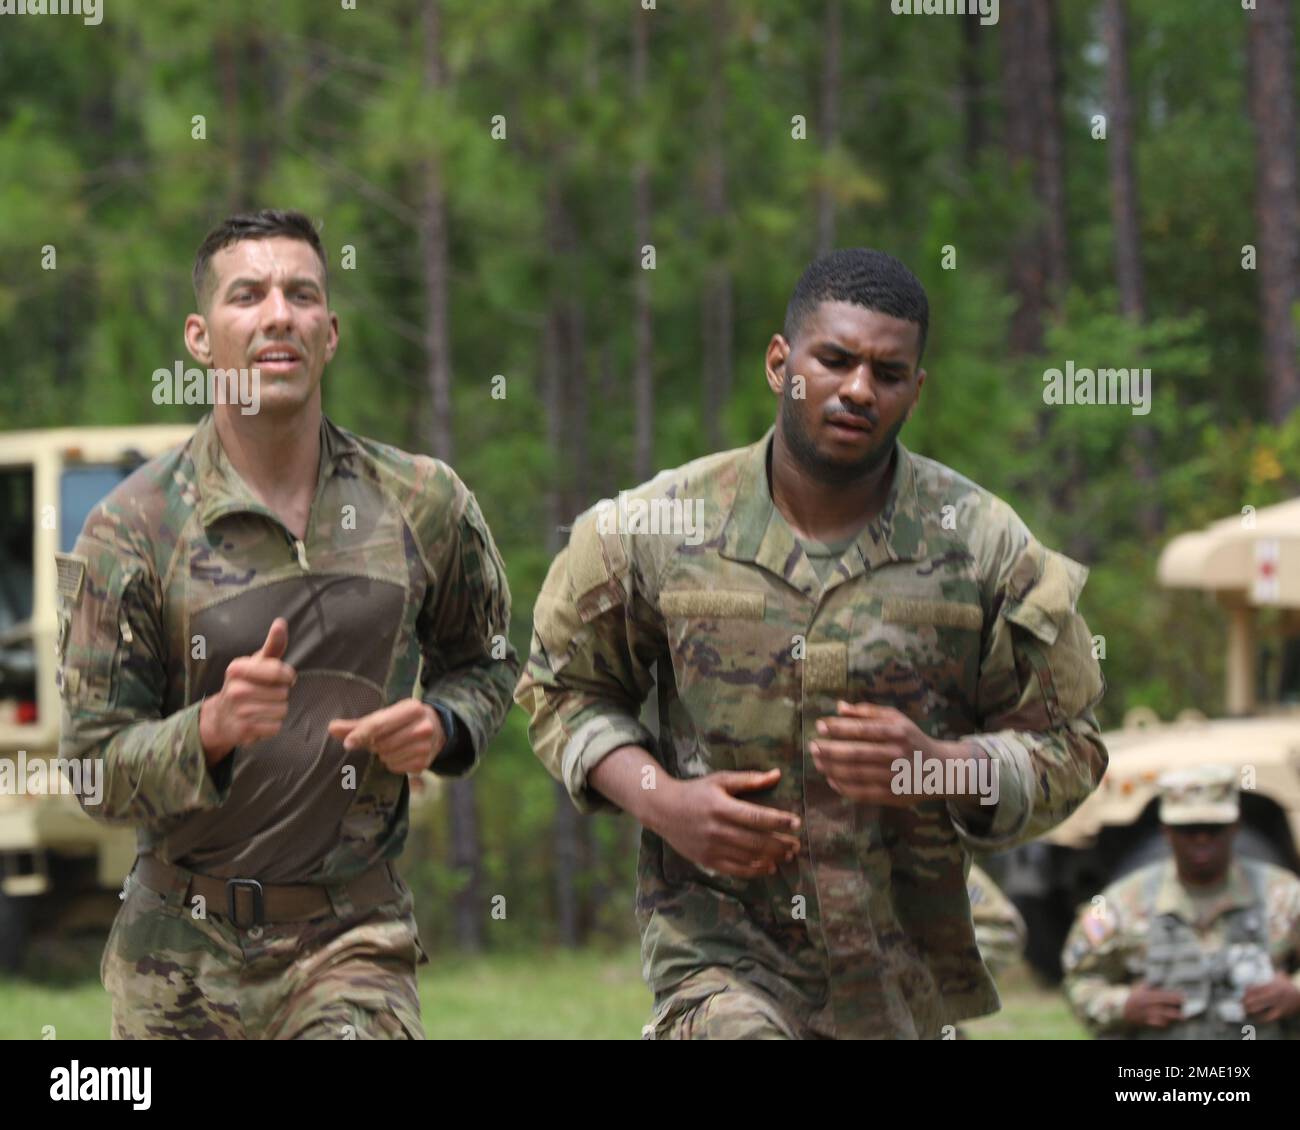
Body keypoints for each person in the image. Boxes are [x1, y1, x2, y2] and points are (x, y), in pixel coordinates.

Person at [515, 247, 1108, 1039]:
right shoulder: (651, 528)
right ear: (780, 362)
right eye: (835, 360)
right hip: (722, 960)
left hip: (903, 981)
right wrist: (667, 804)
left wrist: (942, 767)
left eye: (889, 374)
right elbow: (559, 688)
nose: (859, 389)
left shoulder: (983, 545)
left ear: (915, 390)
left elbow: (1073, 745)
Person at [56, 209, 518, 1039]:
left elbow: (486, 661)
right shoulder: (132, 529)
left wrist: (444, 724)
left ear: (329, 333)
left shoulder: (424, 501)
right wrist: (213, 729)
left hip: (350, 940)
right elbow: (92, 769)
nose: (279, 314)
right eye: (249, 295)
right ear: (200, 338)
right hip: (175, 956)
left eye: (302, 294)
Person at [1061, 764, 1300, 1039]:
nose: (1201, 839)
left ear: (1235, 828)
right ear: (1166, 831)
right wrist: (1123, 1005)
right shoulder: (1121, 904)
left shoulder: (1285, 895)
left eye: (1213, 829)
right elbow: (1079, 980)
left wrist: (1295, 992)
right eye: (1189, 829)